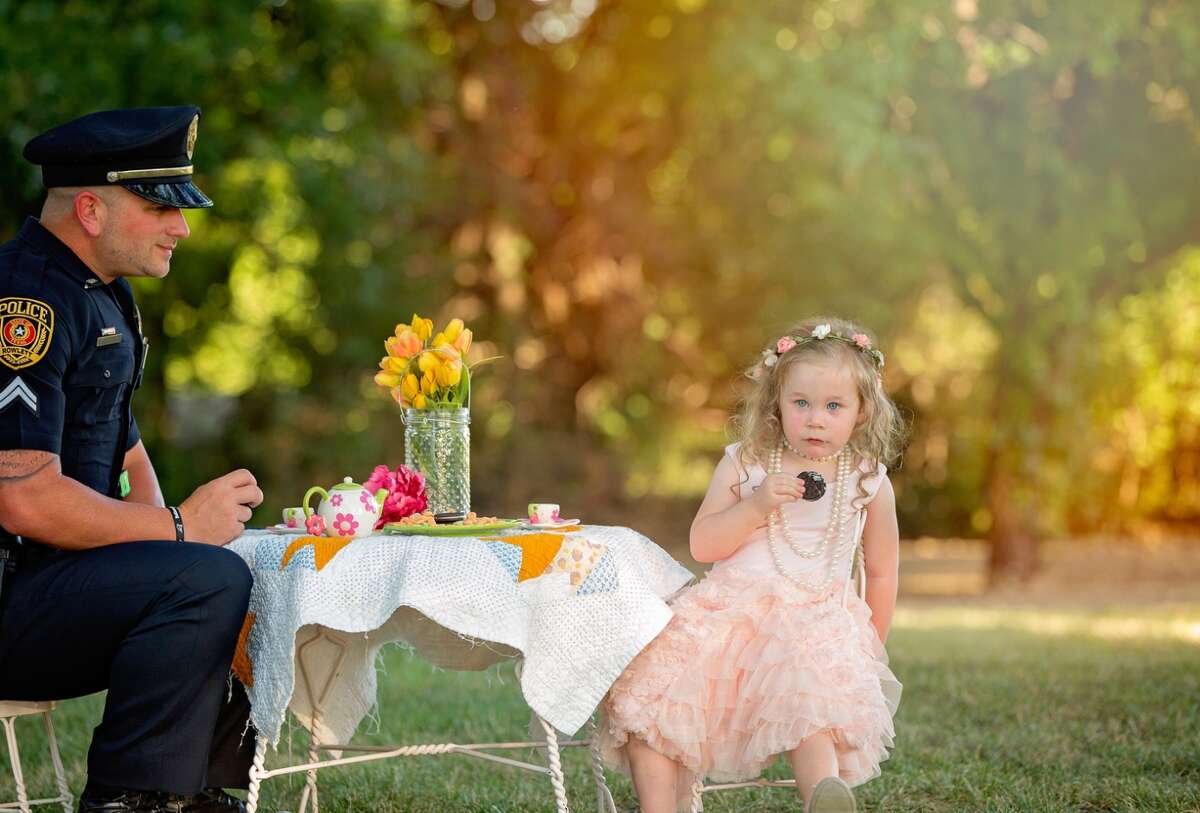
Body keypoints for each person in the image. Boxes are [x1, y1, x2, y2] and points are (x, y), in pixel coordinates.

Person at [0, 106, 264, 813]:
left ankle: (188, 790)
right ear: (90, 209)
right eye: (159, 206)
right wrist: (181, 528)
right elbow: (20, 498)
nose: (180, 225)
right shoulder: (26, 302)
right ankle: (130, 796)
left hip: (54, 581)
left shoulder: (100, 292)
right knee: (204, 576)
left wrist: (174, 534)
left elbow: (125, 445)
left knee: (218, 569)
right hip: (12, 593)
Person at [600, 317, 905, 813]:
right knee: (650, 698)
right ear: (777, 404)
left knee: (808, 697)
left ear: (861, 411)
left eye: (833, 406)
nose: (815, 419)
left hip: (813, 624)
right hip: (730, 617)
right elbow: (703, 544)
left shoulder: (868, 480)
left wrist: (872, 646)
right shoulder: (748, 462)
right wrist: (757, 505)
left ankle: (824, 796)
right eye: (800, 403)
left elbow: (884, 569)